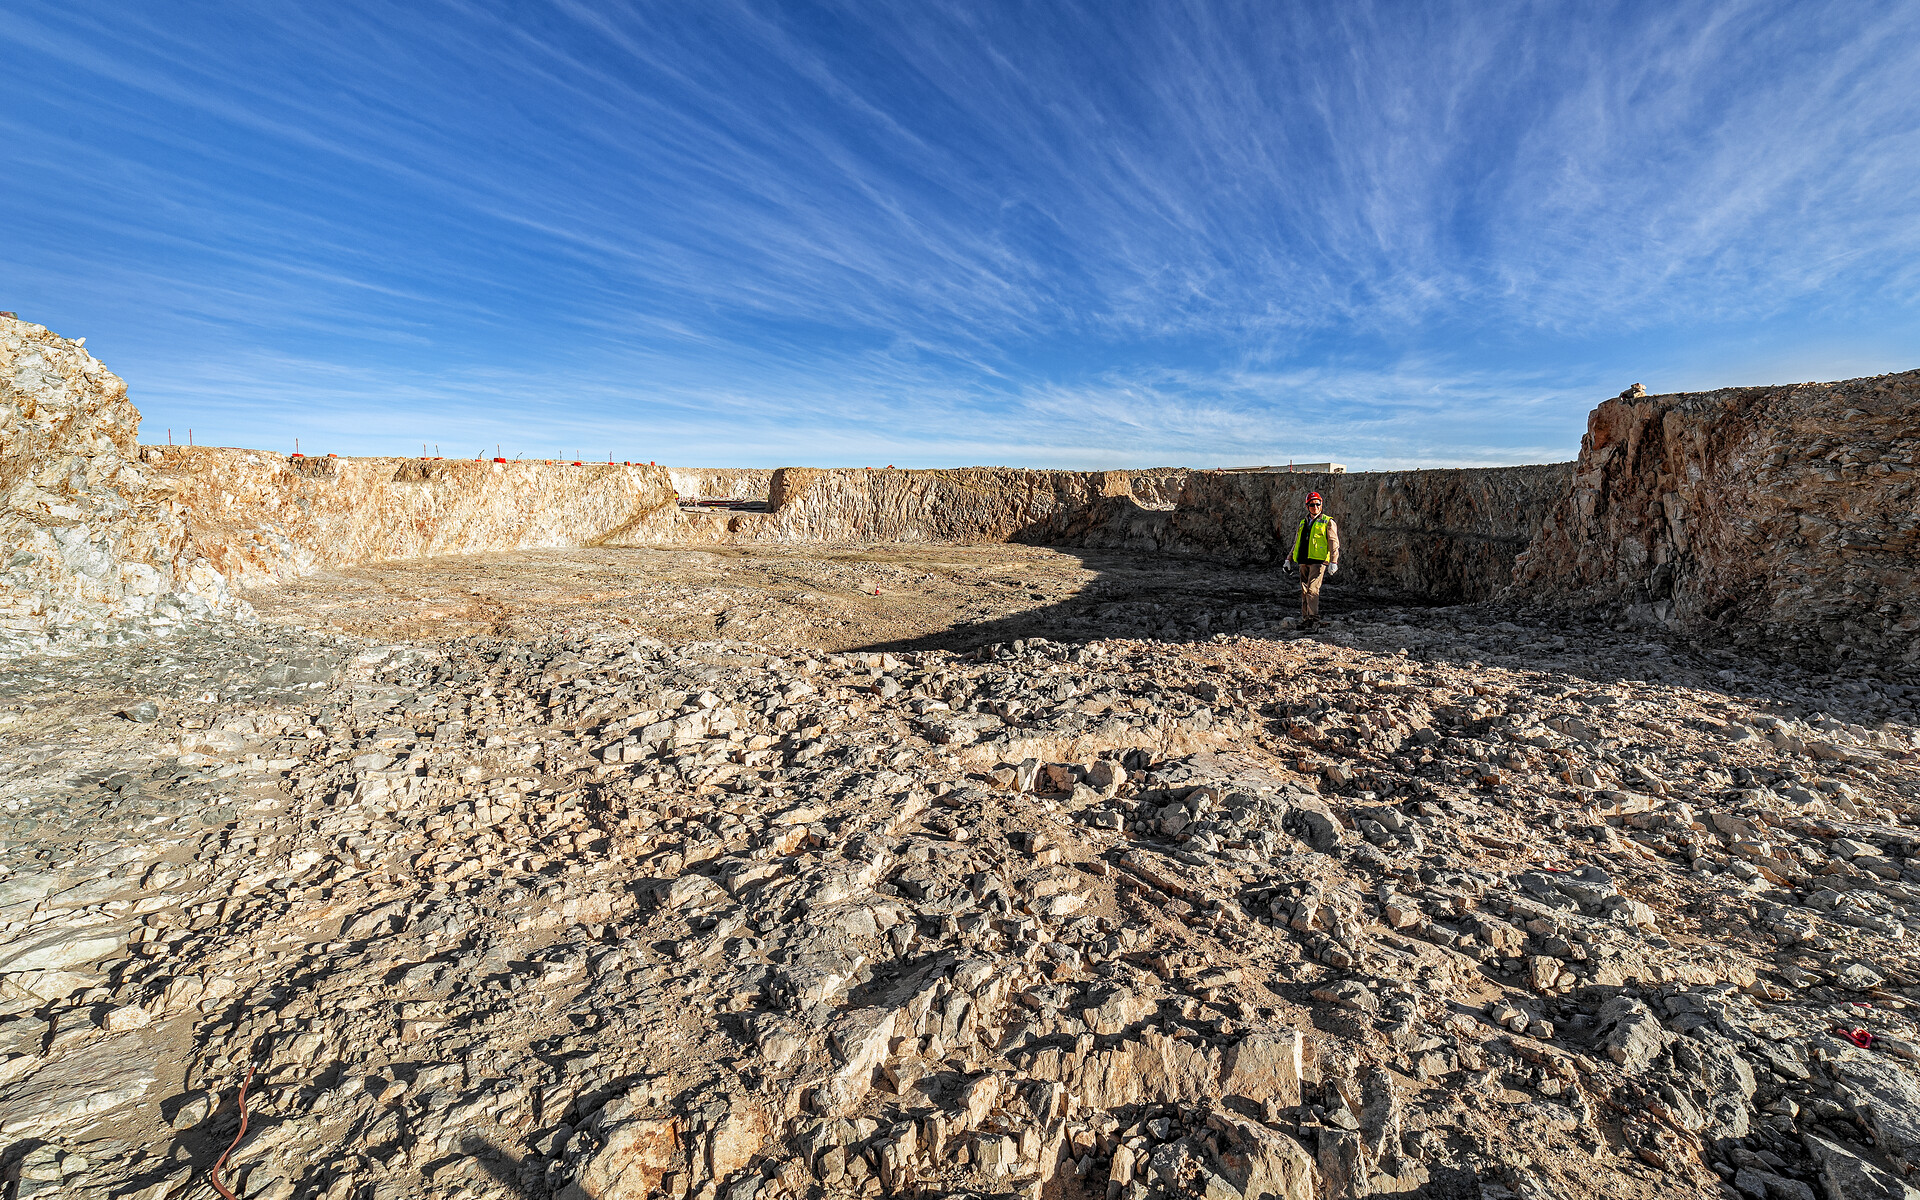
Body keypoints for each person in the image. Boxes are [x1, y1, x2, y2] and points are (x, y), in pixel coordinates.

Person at [1288, 491, 1339, 628]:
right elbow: (1296, 542)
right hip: (1304, 561)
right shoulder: (1303, 522)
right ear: (1307, 506)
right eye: (1312, 504)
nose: (1315, 507)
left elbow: (1334, 542)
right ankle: (1306, 620)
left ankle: (1314, 620)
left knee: (1312, 590)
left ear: (1321, 505)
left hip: (1319, 562)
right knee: (1305, 591)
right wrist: (1289, 559)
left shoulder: (1328, 522)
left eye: (1318, 504)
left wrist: (1334, 561)